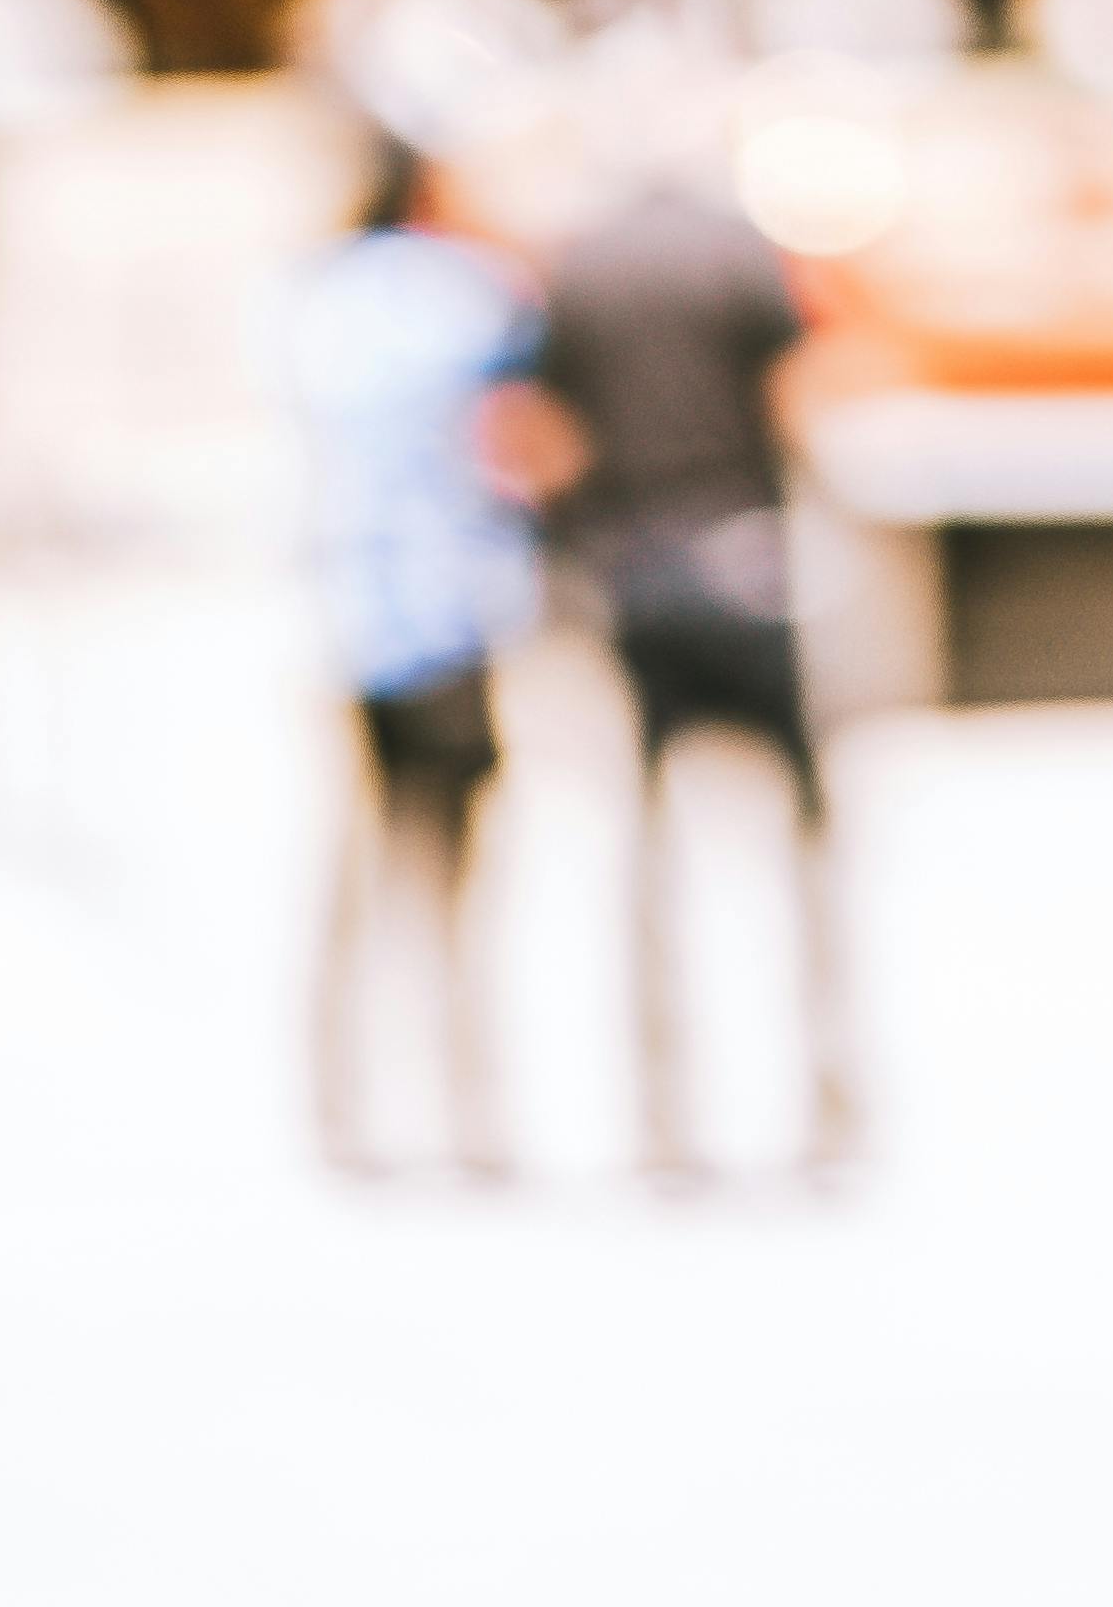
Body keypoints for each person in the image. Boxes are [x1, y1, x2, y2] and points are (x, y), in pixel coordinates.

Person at [528, 157, 856, 1182]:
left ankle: (664, 1113)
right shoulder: (738, 251)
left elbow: (546, 433)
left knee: (650, 856)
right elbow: (803, 391)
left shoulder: (579, 264)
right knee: (800, 854)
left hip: (636, 574)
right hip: (746, 561)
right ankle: (825, 1101)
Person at [285, 143, 550, 1184]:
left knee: (347, 876)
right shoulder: (466, 298)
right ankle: (466, 1108)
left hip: (342, 611)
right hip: (446, 611)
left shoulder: (307, 298)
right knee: (454, 880)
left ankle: (337, 1106)